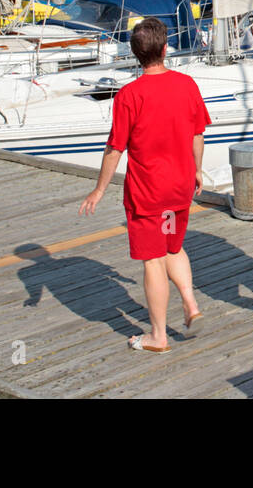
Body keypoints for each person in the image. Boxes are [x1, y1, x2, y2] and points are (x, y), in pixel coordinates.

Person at [79, 17, 210, 353]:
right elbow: (198, 133)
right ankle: (190, 302)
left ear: (135, 53)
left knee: (153, 260)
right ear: (166, 49)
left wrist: (98, 189)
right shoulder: (187, 85)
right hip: (180, 187)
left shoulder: (129, 95)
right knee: (173, 248)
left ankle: (158, 336)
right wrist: (197, 170)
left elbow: (115, 149)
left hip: (147, 192)